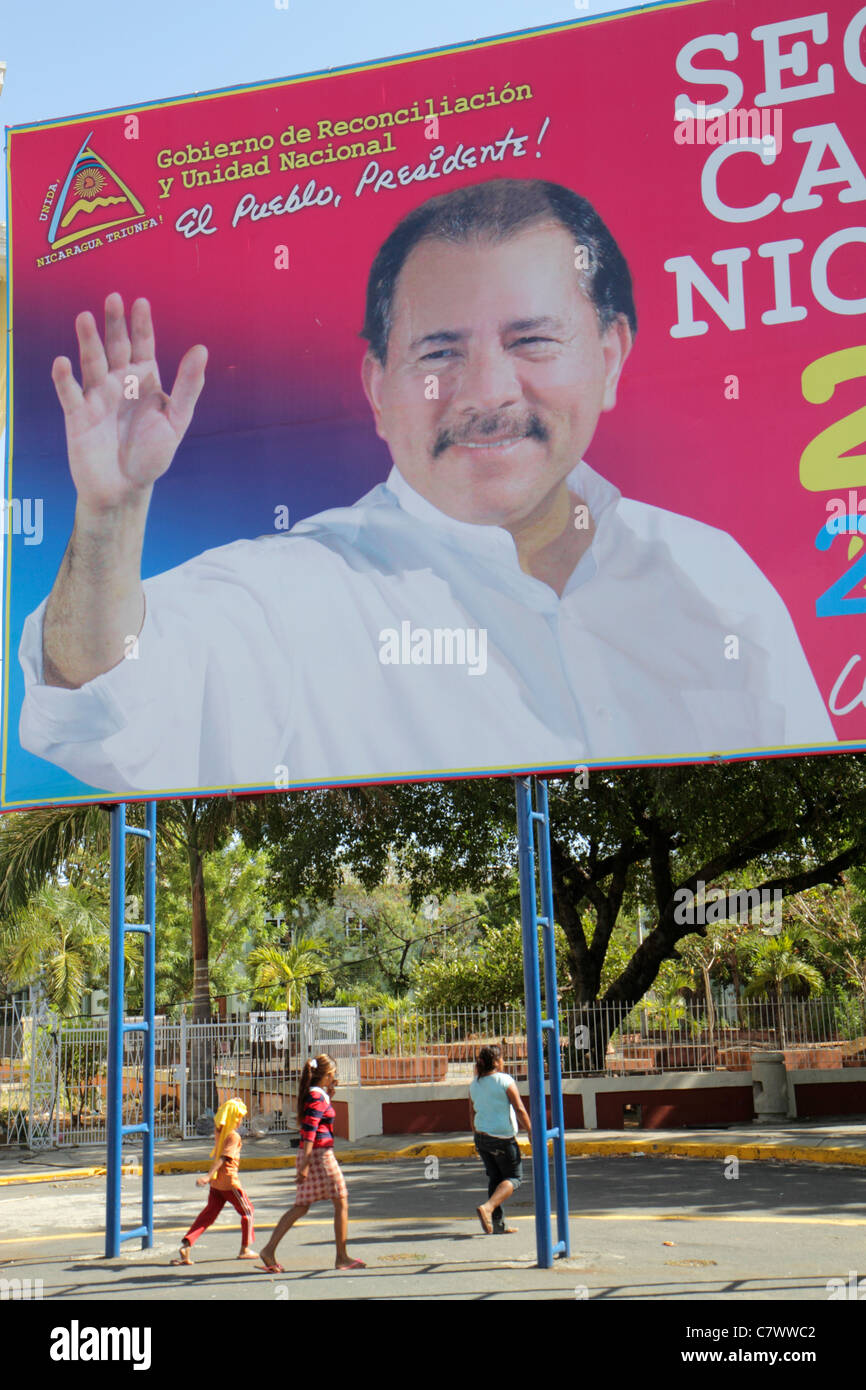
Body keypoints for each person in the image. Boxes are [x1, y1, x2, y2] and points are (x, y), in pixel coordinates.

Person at [19, 178, 835, 795]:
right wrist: (111, 517)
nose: (486, 393)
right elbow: (100, 695)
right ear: (378, 387)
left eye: (533, 341)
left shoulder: (712, 577)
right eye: (439, 352)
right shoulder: (293, 597)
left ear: (611, 355)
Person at [257, 1053, 364, 1273]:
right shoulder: (316, 1096)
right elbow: (309, 1131)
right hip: (319, 1156)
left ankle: (269, 1250)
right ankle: (341, 1257)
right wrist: (305, 1164)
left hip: (314, 1155)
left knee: (302, 1206)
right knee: (341, 1200)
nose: (334, 1078)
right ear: (323, 1075)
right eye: (332, 1075)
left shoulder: (317, 1094)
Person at [171, 1097, 257, 1265]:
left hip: (217, 1183)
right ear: (233, 1118)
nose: (241, 1121)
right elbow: (224, 1158)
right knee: (248, 1212)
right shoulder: (233, 1136)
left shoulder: (220, 1131)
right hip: (228, 1182)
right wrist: (208, 1175)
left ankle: (187, 1244)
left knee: (209, 1214)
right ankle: (245, 1248)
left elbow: (223, 1117)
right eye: (239, 1117)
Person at [469, 1044, 532, 1235]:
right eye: (502, 1058)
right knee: (514, 1177)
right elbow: (519, 1108)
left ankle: (498, 1225)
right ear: (496, 1062)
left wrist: (477, 1135)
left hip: (482, 1138)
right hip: (503, 1139)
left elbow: (471, 1113)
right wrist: (531, 1131)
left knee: (495, 1179)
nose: (504, 1062)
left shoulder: (475, 1084)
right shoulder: (505, 1080)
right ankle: (487, 1208)